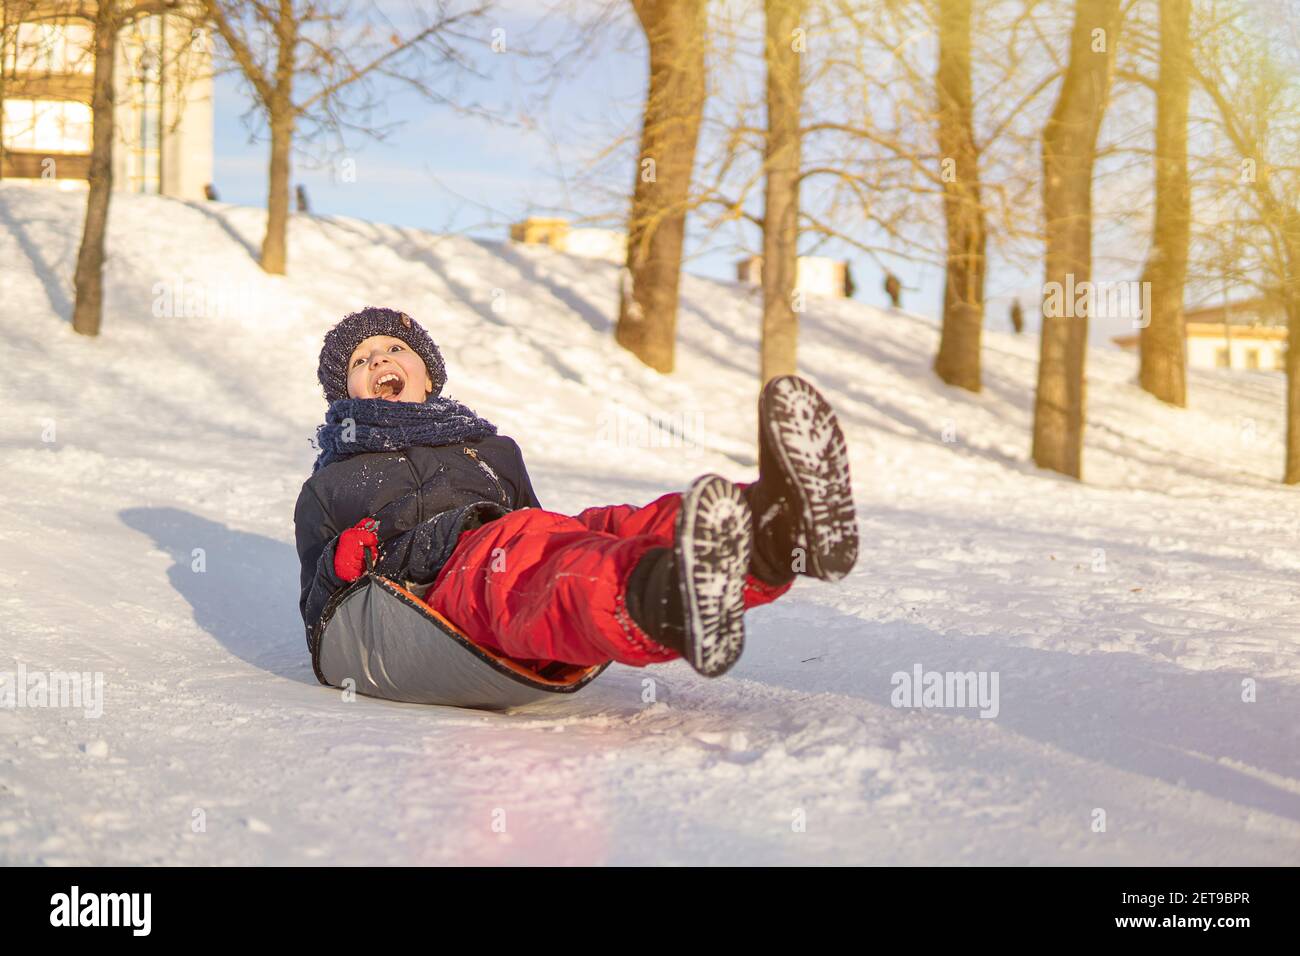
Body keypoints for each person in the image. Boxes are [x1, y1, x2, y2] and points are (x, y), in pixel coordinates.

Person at [294, 307, 858, 680]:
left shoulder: (490, 449)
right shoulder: (330, 484)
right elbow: (320, 626)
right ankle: (663, 598)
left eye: (395, 348)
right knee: (530, 565)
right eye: (361, 360)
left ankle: (777, 532)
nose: (380, 361)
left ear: (427, 372)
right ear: (342, 390)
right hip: (429, 591)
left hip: (503, 551)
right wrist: (340, 571)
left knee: (598, 528)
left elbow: (534, 523)